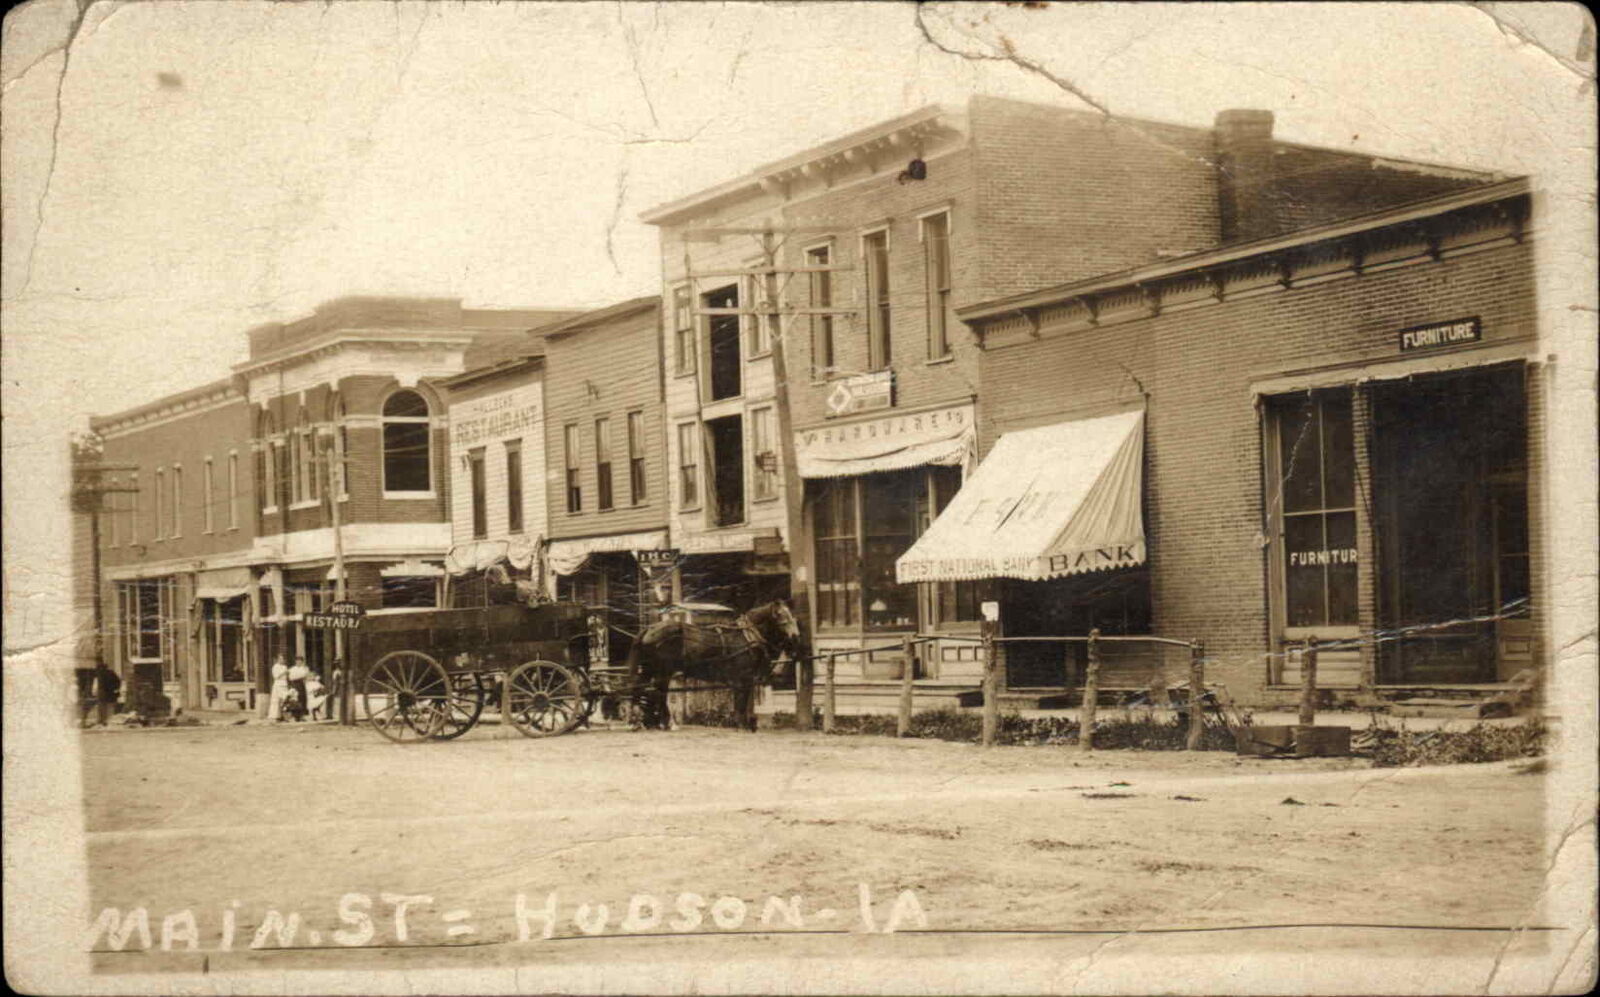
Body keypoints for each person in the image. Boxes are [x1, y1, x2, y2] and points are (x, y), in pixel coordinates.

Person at [92, 662, 121, 727]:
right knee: (109, 707)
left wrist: (94, 692)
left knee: (102, 707)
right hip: (110, 693)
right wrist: (115, 689)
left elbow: (96, 685)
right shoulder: (111, 673)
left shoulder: (99, 674)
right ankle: (108, 721)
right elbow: (118, 681)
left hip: (102, 693)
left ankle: (102, 721)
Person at [267, 655, 290, 722]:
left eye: (283, 659)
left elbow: (287, 676)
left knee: (284, 700)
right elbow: (276, 676)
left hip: (284, 684)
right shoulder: (275, 667)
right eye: (280, 659)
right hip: (278, 684)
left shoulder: (285, 667)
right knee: (276, 700)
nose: (282, 660)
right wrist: (283, 673)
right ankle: (275, 716)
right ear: (277, 659)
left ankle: (284, 716)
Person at [287, 657, 310, 722]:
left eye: (300, 661)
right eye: (297, 661)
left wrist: (301, 675)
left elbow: (306, 675)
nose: (299, 662)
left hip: (301, 684)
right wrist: (300, 676)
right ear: (295, 661)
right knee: (295, 699)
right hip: (295, 684)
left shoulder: (304, 668)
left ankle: (302, 716)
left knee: (302, 699)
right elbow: (291, 677)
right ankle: (295, 716)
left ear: (302, 662)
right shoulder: (292, 669)